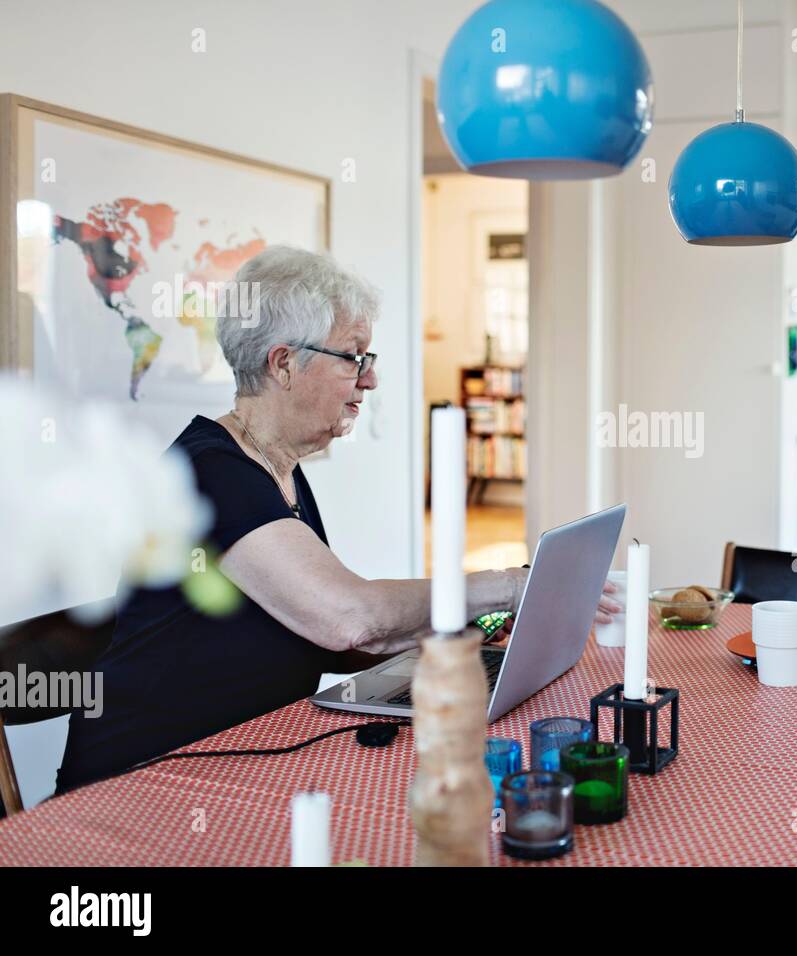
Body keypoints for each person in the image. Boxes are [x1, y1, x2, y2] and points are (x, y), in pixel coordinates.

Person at [57, 246, 619, 793]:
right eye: (354, 357)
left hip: (244, 753)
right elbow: (348, 617)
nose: (369, 380)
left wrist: (473, 631)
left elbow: (337, 635)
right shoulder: (211, 473)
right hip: (144, 780)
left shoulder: (277, 469)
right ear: (282, 363)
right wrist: (508, 588)